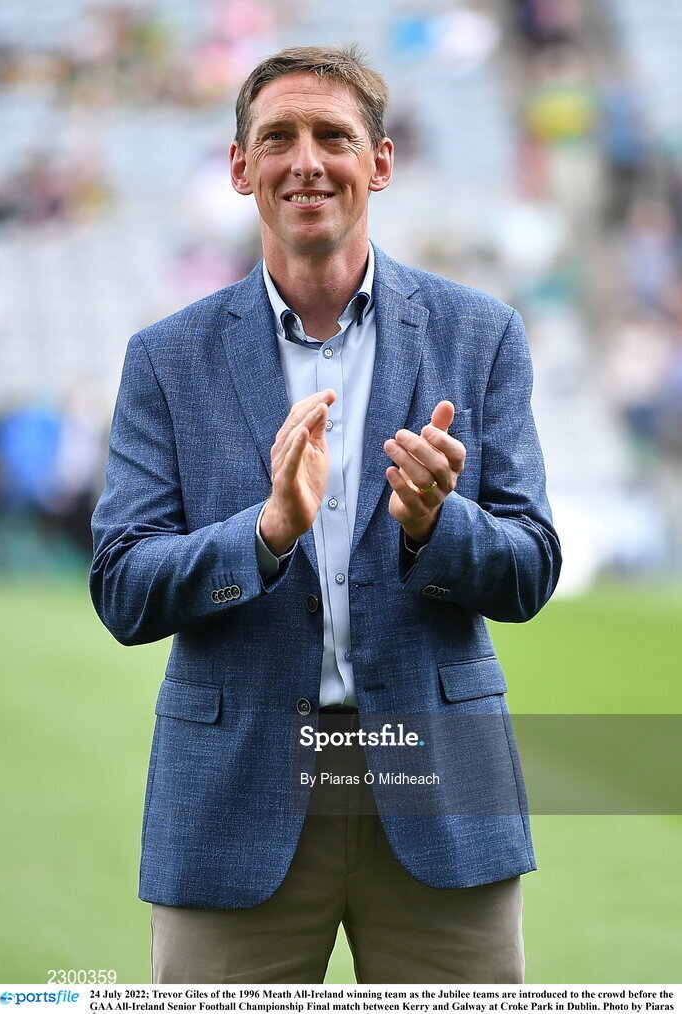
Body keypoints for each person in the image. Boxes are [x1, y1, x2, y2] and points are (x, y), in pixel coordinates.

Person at [90, 45, 561, 985]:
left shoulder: (481, 335)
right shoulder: (166, 359)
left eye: (332, 136)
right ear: (239, 169)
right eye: (278, 137)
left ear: (378, 163)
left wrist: (435, 523)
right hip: (233, 804)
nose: (306, 159)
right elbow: (122, 587)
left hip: (441, 796)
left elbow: (531, 566)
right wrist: (264, 533)